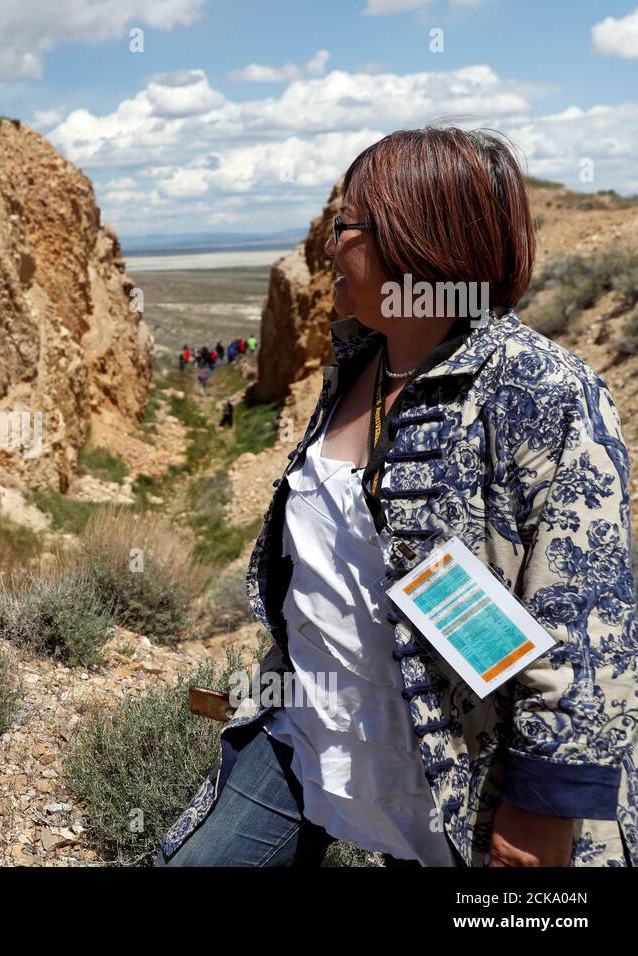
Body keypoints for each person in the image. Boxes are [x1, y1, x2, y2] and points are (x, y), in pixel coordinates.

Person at [159, 126, 637, 867]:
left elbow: (588, 624)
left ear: (416, 240)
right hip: (310, 728)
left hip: (455, 777)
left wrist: (542, 806)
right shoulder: (359, 360)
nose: (327, 249)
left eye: (345, 226)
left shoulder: (540, 391)